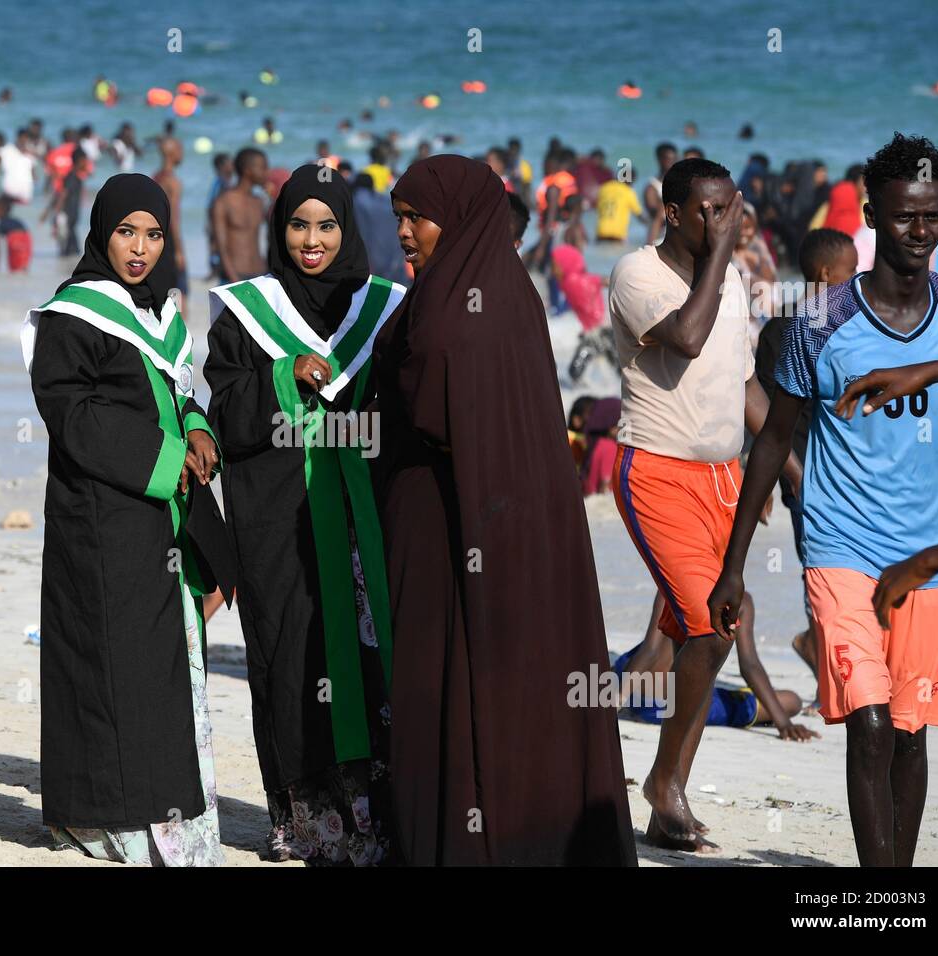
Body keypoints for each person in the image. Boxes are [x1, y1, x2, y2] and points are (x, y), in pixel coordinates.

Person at [708, 134, 938, 867]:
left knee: (912, 734)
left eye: (932, 217)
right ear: (870, 215)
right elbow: (772, 442)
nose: (920, 233)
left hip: (931, 556)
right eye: (903, 218)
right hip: (840, 546)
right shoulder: (820, 322)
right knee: (870, 723)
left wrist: (928, 371)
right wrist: (733, 567)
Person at [373, 155, 636, 865]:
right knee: (474, 686)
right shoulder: (502, 290)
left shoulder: (455, 309)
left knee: (446, 686)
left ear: (457, 220)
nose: (403, 231)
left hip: (452, 524)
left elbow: (430, 404)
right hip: (494, 525)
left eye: (415, 217)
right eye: (398, 215)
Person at [22, 173, 233, 867]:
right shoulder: (71, 317)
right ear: (101, 233)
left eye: (153, 235)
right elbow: (74, 417)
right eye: (125, 233)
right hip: (103, 520)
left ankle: (173, 819)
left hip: (164, 519)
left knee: (169, 664)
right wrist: (167, 456)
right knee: (114, 663)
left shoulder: (161, 312)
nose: (139, 249)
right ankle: (114, 822)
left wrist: (198, 427)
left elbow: (182, 390)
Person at [204, 164, 406, 865]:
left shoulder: (383, 307)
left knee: (373, 658)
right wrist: (280, 376)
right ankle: (305, 821)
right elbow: (225, 412)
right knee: (293, 657)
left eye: (326, 225)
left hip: (364, 527)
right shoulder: (246, 312)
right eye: (297, 225)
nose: (311, 240)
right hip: (282, 525)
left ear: (347, 230)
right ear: (277, 227)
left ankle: (380, 819)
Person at [608, 157, 802, 852]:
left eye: (730, 209)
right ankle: (666, 783)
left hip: (724, 479)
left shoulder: (735, 279)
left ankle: (667, 796)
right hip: (656, 473)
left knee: (713, 627)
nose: (723, 222)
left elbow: (745, 384)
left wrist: (789, 472)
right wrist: (724, 256)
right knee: (710, 626)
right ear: (673, 211)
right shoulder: (637, 275)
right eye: (709, 211)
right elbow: (687, 339)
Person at [754, 228, 859, 678]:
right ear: (823, 273)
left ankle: (823, 647)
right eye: (851, 272)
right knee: (816, 562)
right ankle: (822, 654)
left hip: (851, 470)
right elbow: (758, 410)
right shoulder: (782, 331)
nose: (858, 280)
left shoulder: (855, 330)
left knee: (848, 564)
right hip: (803, 472)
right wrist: (759, 483)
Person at [614, 595, 812, 735]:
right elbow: (749, 666)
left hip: (632, 683)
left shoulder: (674, 574)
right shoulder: (740, 600)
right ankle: (746, 699)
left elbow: (650, 650)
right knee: (792, 701)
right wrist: (784, 724)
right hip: (666, 707)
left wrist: (617, 700)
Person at [212, 147, 268, 282]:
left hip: (260, 274)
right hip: (234, 275)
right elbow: (221, 246)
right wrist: (234, 279)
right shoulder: (224, 201)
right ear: (248, 170)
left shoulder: (259, 201)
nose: (267, 172)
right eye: (263, 168)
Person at [352, 172, 408, 284]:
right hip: (396, 258)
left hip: (372, 260)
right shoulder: (386, 200)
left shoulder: (357, 201)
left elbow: (361, 233)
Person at [153, 135, 186, 302]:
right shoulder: (173, 181)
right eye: (180, 149)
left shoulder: (156, 176)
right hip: (170, 242)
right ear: (172, 153)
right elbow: (174, 218)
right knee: (179, 293)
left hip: (156, 239)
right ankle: (178, 326)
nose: (183, 153)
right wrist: (179, 251)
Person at [205, 152, 234, 280]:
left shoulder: (223, 181)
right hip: (216, 223)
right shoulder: (222, 182)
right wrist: (211, 224)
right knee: (217, 246)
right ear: (222, 166)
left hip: (217, 222)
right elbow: (213, 204)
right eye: (229, 163)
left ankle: (215, 270)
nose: (232, 166)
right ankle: (216, 270)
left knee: (215, 246)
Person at [596, 170, 644, 242]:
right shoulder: (628, 191)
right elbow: (639, 215)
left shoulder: (604, 188)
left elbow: (597, 207)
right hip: (617, 235)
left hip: (601, 233)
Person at [644, 142, 679, 244]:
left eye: (674, 159)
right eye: (668, 159)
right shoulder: (652, 187)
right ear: (659, 159)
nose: (672, 162)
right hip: (658, 241)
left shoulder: (679, 185)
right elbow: (655, 213)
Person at [0, 129, 36, 205]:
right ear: (18, 137)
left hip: (25, 190)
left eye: (27, 139)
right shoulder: (7, 149)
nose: (25, 141)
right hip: (9, 188)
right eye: (24, 138)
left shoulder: (30, 153)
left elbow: (33, 173)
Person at [0, 196, 31, 272]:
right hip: (27, 237)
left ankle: (15, 283)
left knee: (14, 269)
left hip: (14, 238)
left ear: (0, 210)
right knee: (23, 267)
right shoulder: (16, 220)